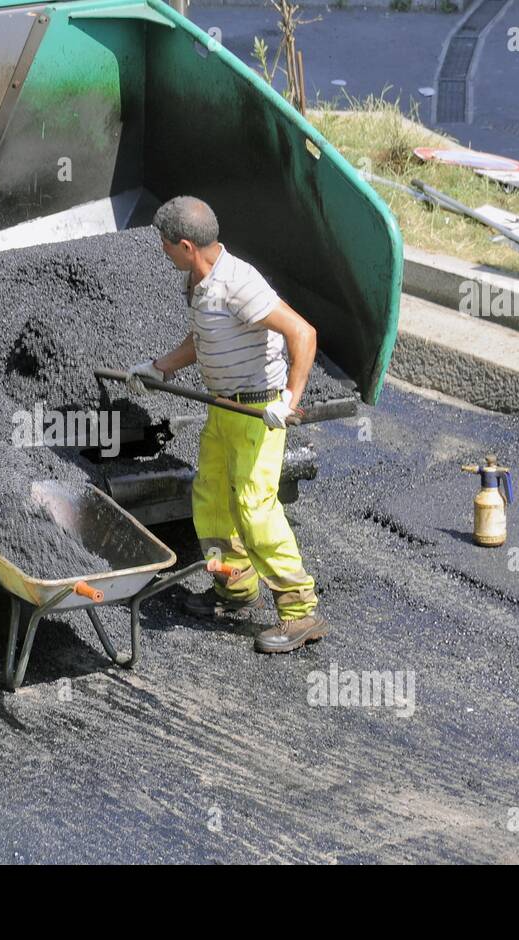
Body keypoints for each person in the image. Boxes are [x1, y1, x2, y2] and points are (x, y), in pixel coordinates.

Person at [127, 196, 329, 653]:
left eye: (165, 244)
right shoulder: (200, 280)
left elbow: (304, 334)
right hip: (223, 409)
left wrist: (289, 400)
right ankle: (235, 589)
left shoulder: (239, 284)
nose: (161, 250)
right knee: (212, 500)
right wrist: (161, 367)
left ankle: (301, 612)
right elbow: (204, 337)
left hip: (258, 413)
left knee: (255, 509)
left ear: (185, 245)